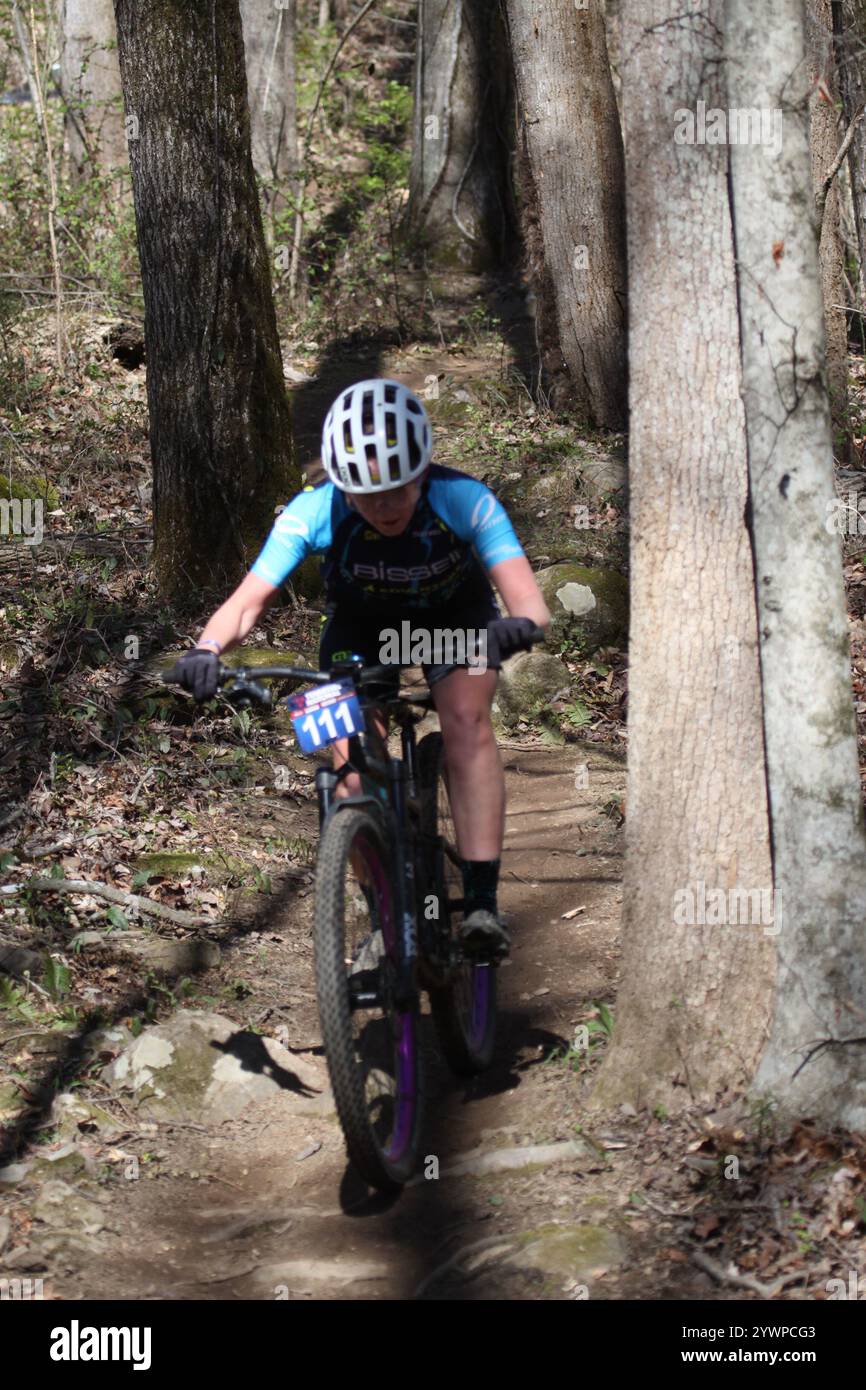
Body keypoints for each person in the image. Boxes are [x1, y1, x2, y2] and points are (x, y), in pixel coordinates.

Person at [172, 378, 551, 957]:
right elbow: (248, 599)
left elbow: (529, 602)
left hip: (454, 622)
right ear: (339, 485)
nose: (386, 506)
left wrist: (518, 625)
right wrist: (206, 649)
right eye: (366, 494)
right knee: (348, 776)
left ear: (423, 471)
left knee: (465, 722)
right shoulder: (310, 511)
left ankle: (480, 905)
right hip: (359, 634)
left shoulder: (464, 498)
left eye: (399, 488)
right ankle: (383, 922)